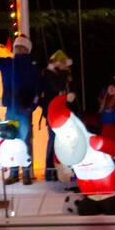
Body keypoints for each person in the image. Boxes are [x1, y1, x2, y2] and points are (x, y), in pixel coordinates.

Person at [0, 29, 40, 184]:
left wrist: (32, 105)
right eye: (17, 46)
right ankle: (15, 173)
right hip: (14, 109)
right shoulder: (9, 63)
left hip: (23, 109)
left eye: (20, 47)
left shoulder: (29, 66)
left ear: (25, 49)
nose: (18, 49)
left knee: (22, 140)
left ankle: (25, 173)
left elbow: (38, 88)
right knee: (12, 140)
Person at [39, 50, 75, 181]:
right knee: (53, 140)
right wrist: (63, 73)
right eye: (63, 63)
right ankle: (50, 172)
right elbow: (57, 88)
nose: (66, 66)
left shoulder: (61, 75)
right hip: (53, 114)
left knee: (64, 142)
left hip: (63, 114)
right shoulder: (49, 74)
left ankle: (63, 172)